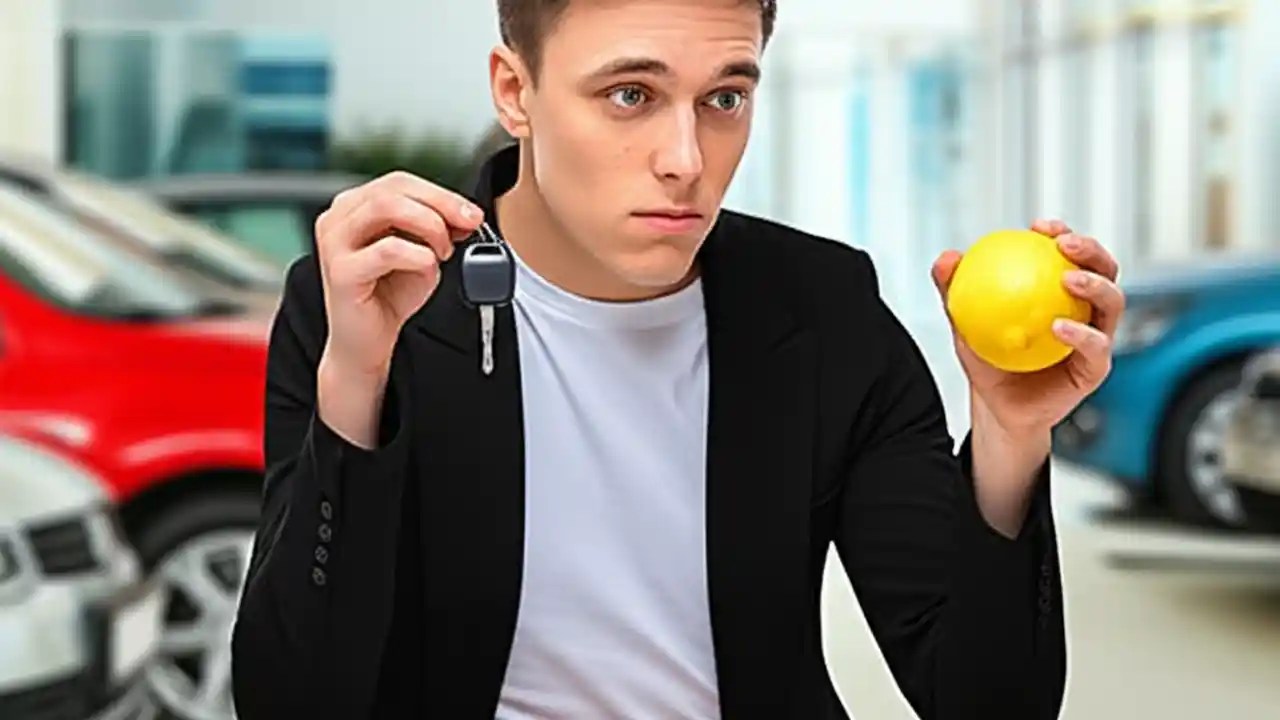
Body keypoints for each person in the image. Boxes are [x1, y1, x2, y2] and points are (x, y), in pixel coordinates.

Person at [230, 1, 1125, 718]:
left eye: (725, 98)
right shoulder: (373, 301)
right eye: (630, 94)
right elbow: (291, 698)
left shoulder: (824, 312)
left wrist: (1009, 436)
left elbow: (986, 703)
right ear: (515, 89)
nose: (686, 160)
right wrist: (355, 384)